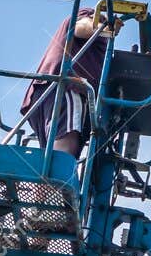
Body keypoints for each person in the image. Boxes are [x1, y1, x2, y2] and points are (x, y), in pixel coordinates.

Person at [22, 8, 114, 156]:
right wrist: (106, 26)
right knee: (65, 148)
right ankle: (57, 178)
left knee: (51, 158)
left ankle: (53, 177)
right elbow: (81, 27)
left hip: (44, 92)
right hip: (66, 87)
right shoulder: (89, 16)